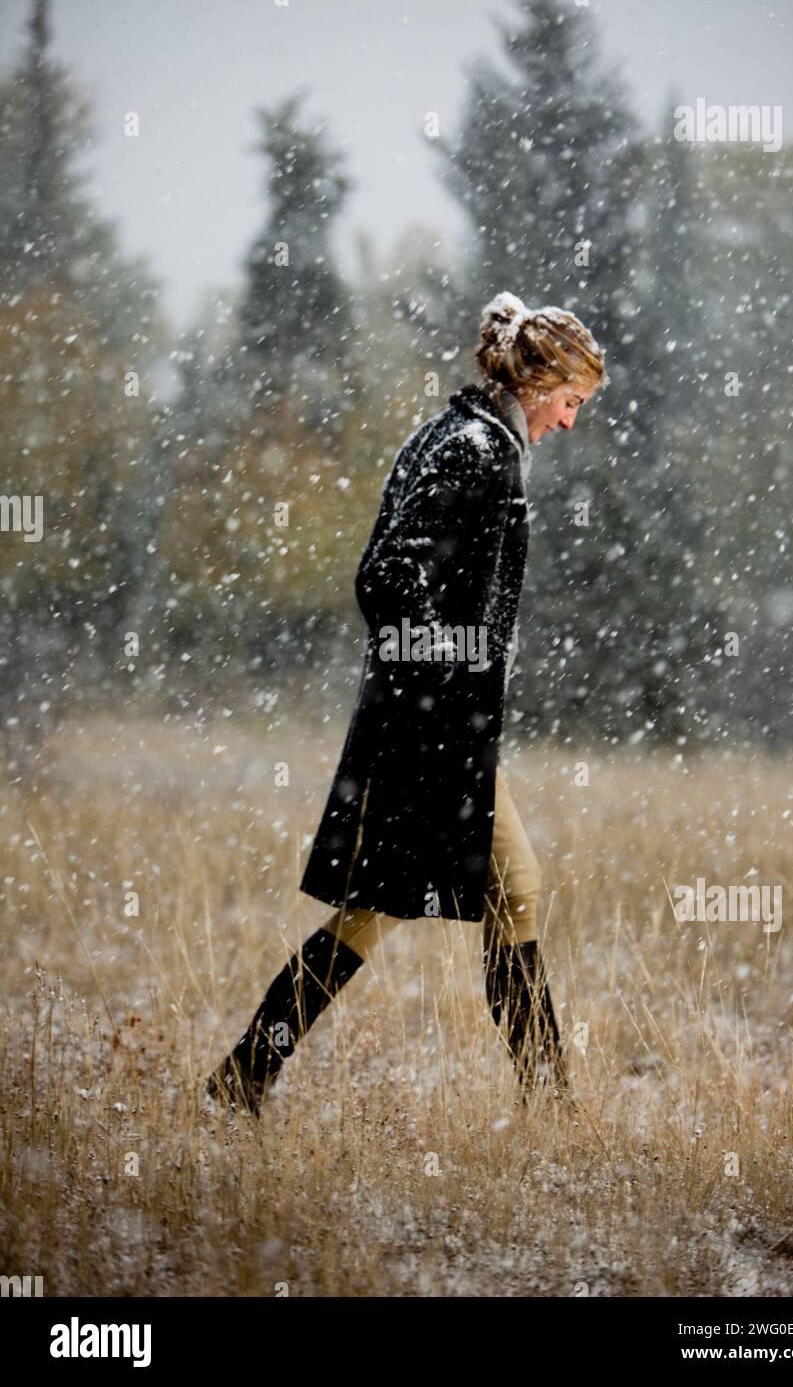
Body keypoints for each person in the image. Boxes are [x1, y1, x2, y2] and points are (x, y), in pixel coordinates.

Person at [205, 290, 609, 1117]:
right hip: (427, 736)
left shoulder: (460, 434)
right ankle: (241, 1079)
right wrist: (448, 678)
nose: (569, 423)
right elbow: (385, 579)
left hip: (438, 732)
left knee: (495, 892)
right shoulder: (474, 449)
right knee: (378, 914)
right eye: (570, 403)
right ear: (537, 382)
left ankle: (549, 1105)